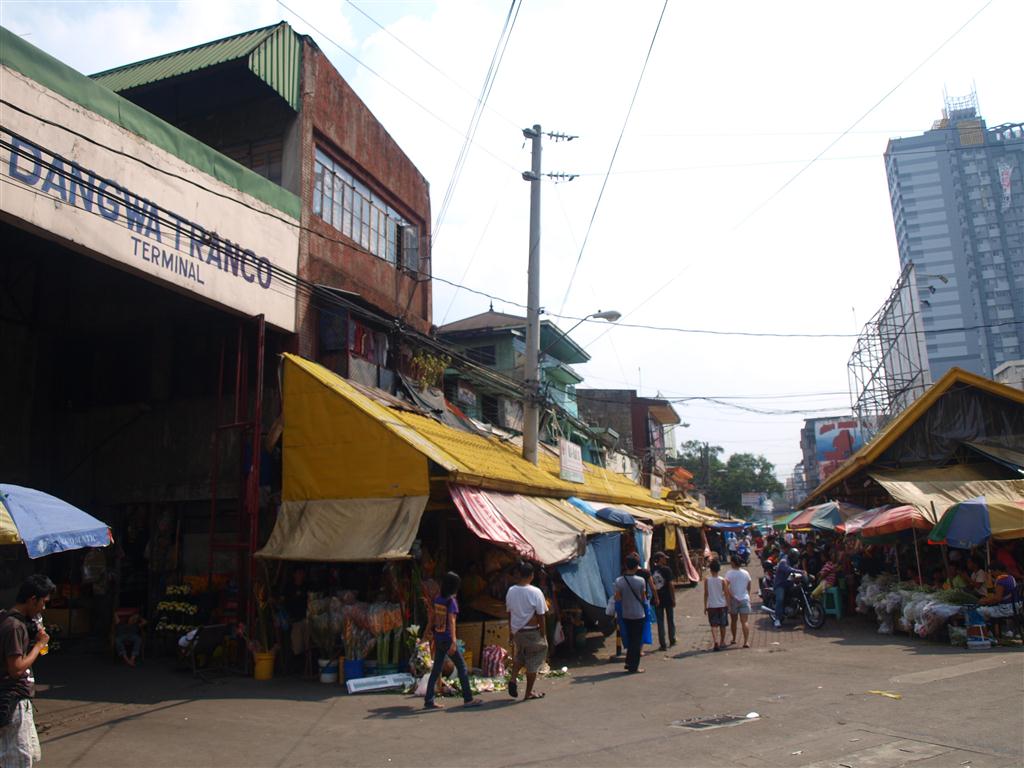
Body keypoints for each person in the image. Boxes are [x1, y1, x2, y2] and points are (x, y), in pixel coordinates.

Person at [1, 574, 54, 768]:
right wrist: (38, 646)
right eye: (43, 602)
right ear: (33, 600)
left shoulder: (12, 621)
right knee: (18, 760)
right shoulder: (14, 626)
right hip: (13, 699)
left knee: (27, 755)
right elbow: (16, 669)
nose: (43, 608)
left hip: (18, 699)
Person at [423, 572, 482, 709]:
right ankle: (468, 699)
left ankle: (429, 700)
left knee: (436, 670)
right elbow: (452, 621)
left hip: (439, 637)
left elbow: (433, 617)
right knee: (462, 667)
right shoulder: (451, 602)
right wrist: (454, 641)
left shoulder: (438, 599)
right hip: (448, 638)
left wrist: (428, 631)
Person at [505, 561, 548, 701]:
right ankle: (528, 692)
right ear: (531, 575)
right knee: (533, 662)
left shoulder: (511, 591)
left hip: (518, 632)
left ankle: (513, 679)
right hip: (532, 632)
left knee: (521, 656)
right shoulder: (536, 592)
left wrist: (511, 631)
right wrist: (543, 634)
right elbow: (541, 615)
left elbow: (509, 613)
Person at [614, 554, 648, 673]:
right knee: (636, 641)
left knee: (630, 639)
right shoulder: (641, 581)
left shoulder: (619, 581)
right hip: (639, 614)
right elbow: (643, 598)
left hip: (626, 614)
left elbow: (617, 598)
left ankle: (629, 662)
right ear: (636, 566)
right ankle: (634, 666)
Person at [650, 552, 676, 650]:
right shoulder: (667, 570)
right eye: (664, 558)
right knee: (670, 619)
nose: (665, 560)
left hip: (657, 598)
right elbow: (670, 585)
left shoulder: (652, 570)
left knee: (660, 622)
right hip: (667, 598)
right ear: (660, 559)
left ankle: (663, 643)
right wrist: (673, 598)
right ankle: (672, 639)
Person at [772, 548, 805, 629]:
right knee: (780, 599)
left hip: (789, 584)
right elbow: (788, 570)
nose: (796, 559)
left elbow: (794, 572)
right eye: (795, 557)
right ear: (791, 556)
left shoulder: (794, 563)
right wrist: (801, 572)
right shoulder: (784, 561)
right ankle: (777, 619)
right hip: (780, 585)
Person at [703, 559, 731, 651]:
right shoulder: (723, 580)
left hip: (712, 606)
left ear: (710, 569)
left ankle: (716, 641)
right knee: (722, 625)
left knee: (714, 625)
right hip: (722, 605)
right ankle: (722, 641)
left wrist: (705, 606)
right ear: (719, 569)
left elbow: (706, 594)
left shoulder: (707, 580)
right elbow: (726, 594)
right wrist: (729, 605)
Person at [725, 555, 752, 648]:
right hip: (744, 598)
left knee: (734, 621)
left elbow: (725, 587)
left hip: (734, 600)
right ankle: (746, 641)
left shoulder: (729, 573)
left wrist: (731, 595)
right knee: (745, 621)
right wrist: (747, 595)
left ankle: (734, 638)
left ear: (733, 563)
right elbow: (749, 586)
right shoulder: (746, 573)